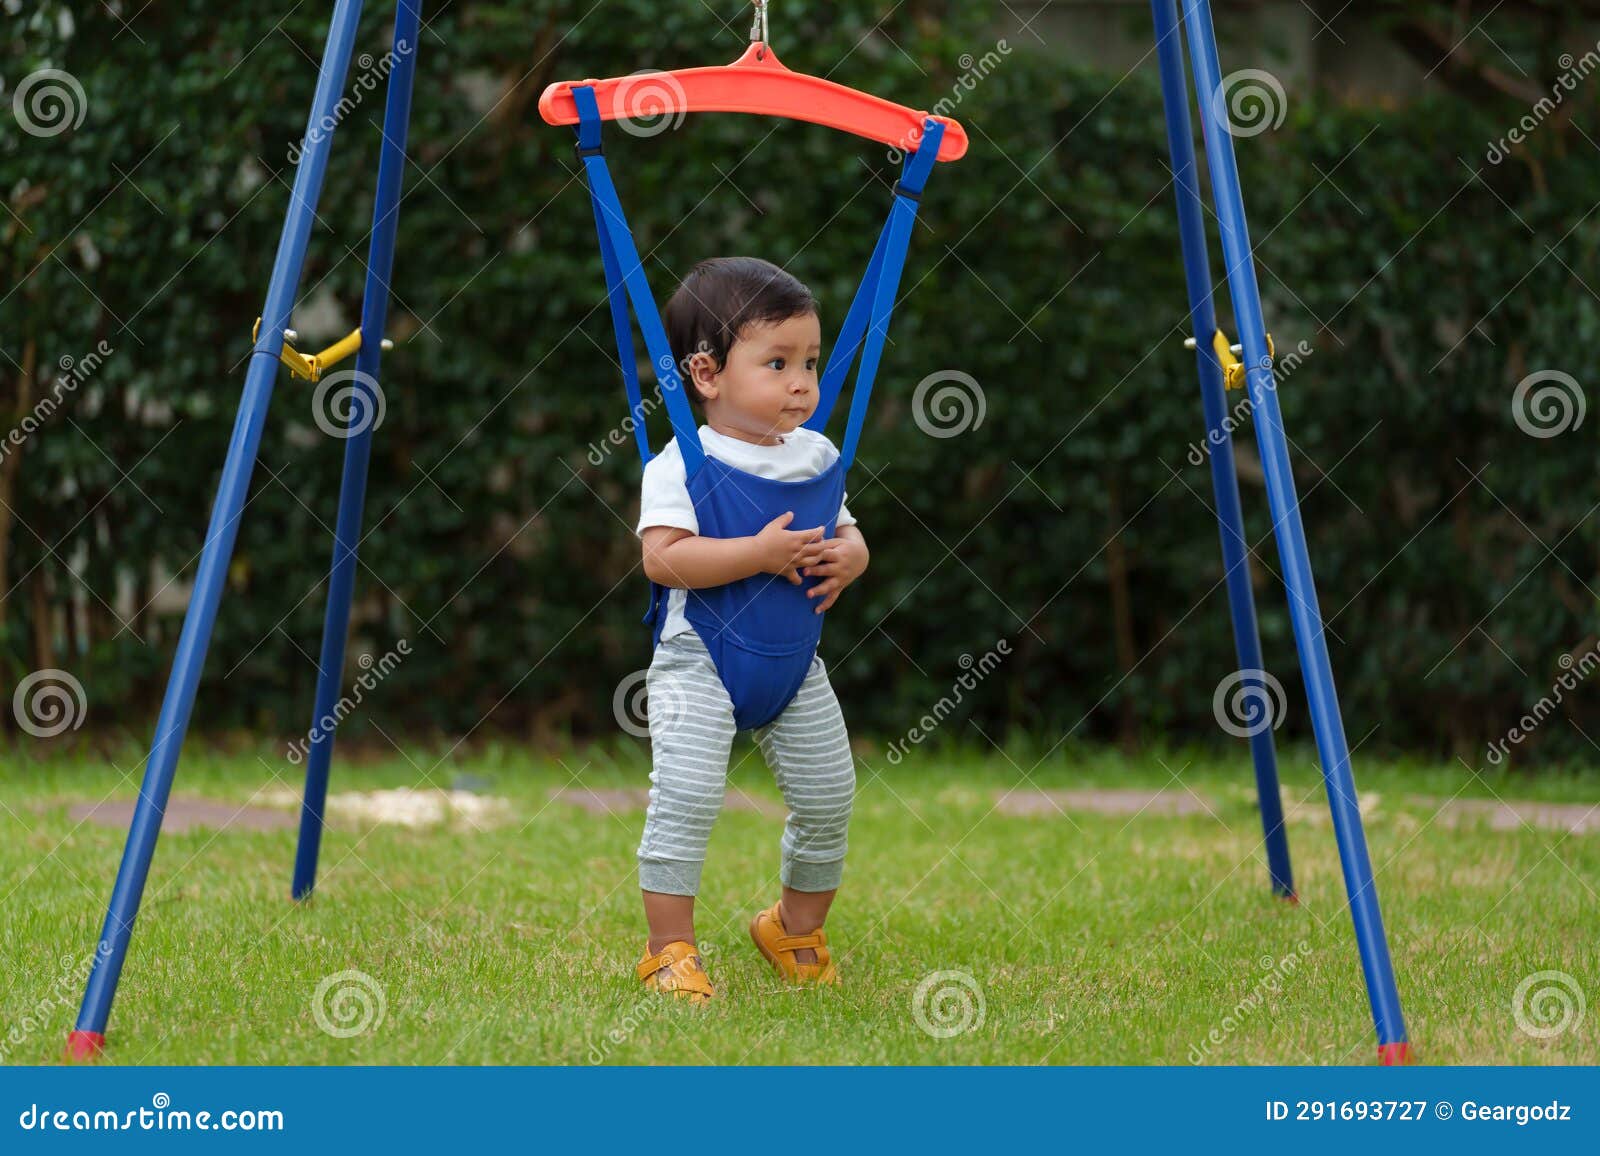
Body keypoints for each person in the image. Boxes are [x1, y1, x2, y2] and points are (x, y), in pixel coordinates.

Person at [633, 256, 870, 1004]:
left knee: (831, 793)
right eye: (777, 363)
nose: (802, 381)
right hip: (699, 659)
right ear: (707, 374)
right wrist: (759, 555)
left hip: (794, 664)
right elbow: (663, 559)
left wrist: (850, 560)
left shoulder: (819, 455)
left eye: (810, 361)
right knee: (687, 797)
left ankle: (792, 926)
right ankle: (669, 949)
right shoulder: (684, 462)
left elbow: (849, 531)